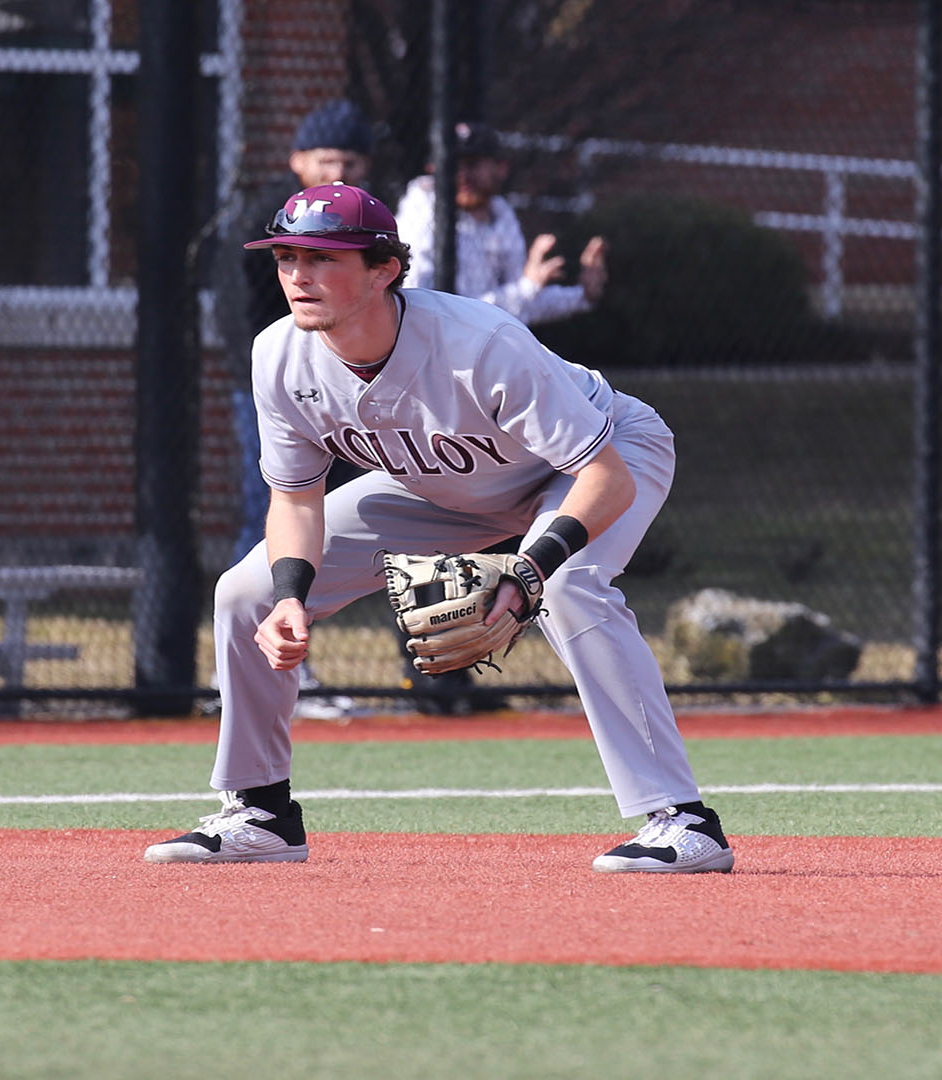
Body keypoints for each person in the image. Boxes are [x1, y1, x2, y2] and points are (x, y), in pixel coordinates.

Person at [144, 183, 734, 874]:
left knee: (572, 587)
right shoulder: (280, 356)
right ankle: (262, 812)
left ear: (384, 269)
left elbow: (607, 479)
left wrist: (529, 568)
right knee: (245, 592)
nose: (298, 276)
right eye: (285, 257)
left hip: (599, 458)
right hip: (436, 489)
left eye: (323, 257)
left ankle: (685, 823)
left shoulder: (478, 343)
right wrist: (289, 596)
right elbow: (295, 498)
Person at [210, 99, 375, 721]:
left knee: (334, 523)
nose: (338, 169)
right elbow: (237, 313)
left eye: (350, 160)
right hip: (275, 394)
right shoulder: (265, 219)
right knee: (270, 518)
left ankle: (294, 664)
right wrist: (259, 382)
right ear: (297, 160)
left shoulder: (366, 227)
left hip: (345, 395)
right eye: (326, 157)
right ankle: (254, 668)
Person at [394, 122, 608, 324]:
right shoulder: (420, 215)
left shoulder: (501, 214)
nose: (462, 176)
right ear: (434, 169)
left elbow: (520, 306)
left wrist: (582, 295)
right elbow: (426, 313)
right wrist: (527, 288)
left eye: (472, 164)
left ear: (501, 168)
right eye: (452, 165)